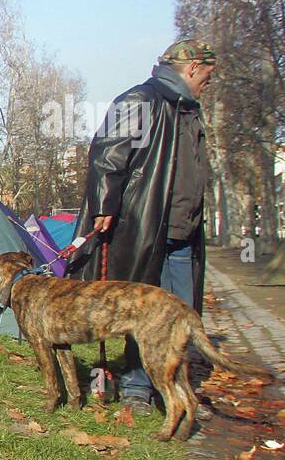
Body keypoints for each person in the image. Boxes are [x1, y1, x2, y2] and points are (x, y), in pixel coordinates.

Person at [69, 38, 216, 413]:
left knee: (179, 315)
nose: (208, 84)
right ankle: (137, 388)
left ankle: (171, 384)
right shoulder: (142, 101)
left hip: (183, 231)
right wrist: (104, 203)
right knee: (143, 313)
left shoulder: (188, 109)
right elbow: (107, 153)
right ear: (193, 68)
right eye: (207, 77)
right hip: (146, 229)